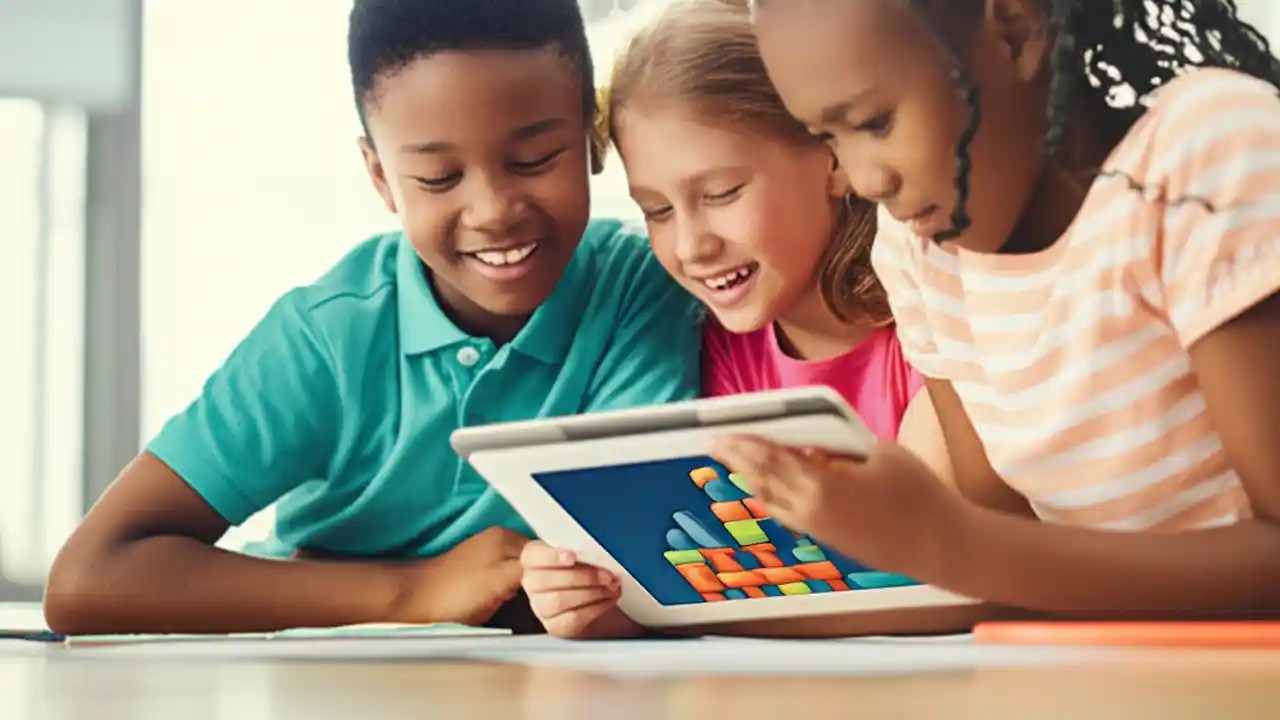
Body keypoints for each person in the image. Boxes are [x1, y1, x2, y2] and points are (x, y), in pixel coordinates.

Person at [44, 0, 701, 635]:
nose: (494, 210)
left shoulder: (646, 292)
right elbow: (88, 579)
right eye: (439, 178)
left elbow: (633, 571)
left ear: (592, 136)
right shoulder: (330, 335)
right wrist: (414, 589)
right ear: (382, 178)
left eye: (533, 161)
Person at [716, 0, 1280, 617]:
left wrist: (946, 541)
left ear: (1013, 30)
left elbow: (991, 552)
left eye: (875, 122)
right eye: (829, 137)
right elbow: (1010, 557)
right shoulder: (920, 253)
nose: (863, 178)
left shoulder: (1200, 159)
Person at [521, 0, 948, 638]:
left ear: (831, 156)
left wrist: (682, 611)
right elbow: (734, 562)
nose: (691, 246)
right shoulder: (710, 349)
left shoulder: (930, 320)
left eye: (720, 195)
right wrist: (607, 600)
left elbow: (926, 564)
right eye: (657, 210)